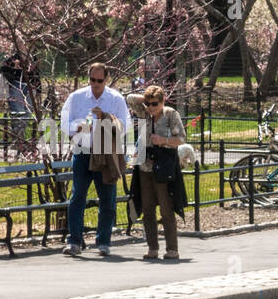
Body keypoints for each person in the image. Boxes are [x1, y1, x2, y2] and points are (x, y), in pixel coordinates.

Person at [60, 62, 130, 256]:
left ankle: (103, 241)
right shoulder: (76, 98)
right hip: (82, 152)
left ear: (106, 80)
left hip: (105, 152)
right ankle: (74, 241)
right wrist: (78, 126)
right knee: (77, 197)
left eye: (99, 80)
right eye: (92, 80)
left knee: (107, 198)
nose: (96, 84)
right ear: (88, 78)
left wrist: (106, 119)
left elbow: (125, 126)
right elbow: (64, 123)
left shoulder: (115, 98)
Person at [133, 85, 186, 261]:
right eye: (148, 104)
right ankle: (152, 247)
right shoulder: (144, 113)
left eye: (155, 104)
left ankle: (172, 248)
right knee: (147, 209)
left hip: (163, 166)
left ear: (163, 101)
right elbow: (130, 99)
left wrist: (163, 140)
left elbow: (181, 139)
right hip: (145, 166)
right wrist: (146, 99)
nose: (151, 108)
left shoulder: (170, 114)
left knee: (166, 208)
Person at [0, 54, 32, 144]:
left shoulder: (32, 57)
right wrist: (1, 96)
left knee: (28, 115)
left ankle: (16, 138)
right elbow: (3, 74)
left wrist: (38, 91)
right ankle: (17, 140)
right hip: (16, 88)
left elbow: (36, 74)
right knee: (18, 114)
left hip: (30, 88)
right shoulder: (12, 59)